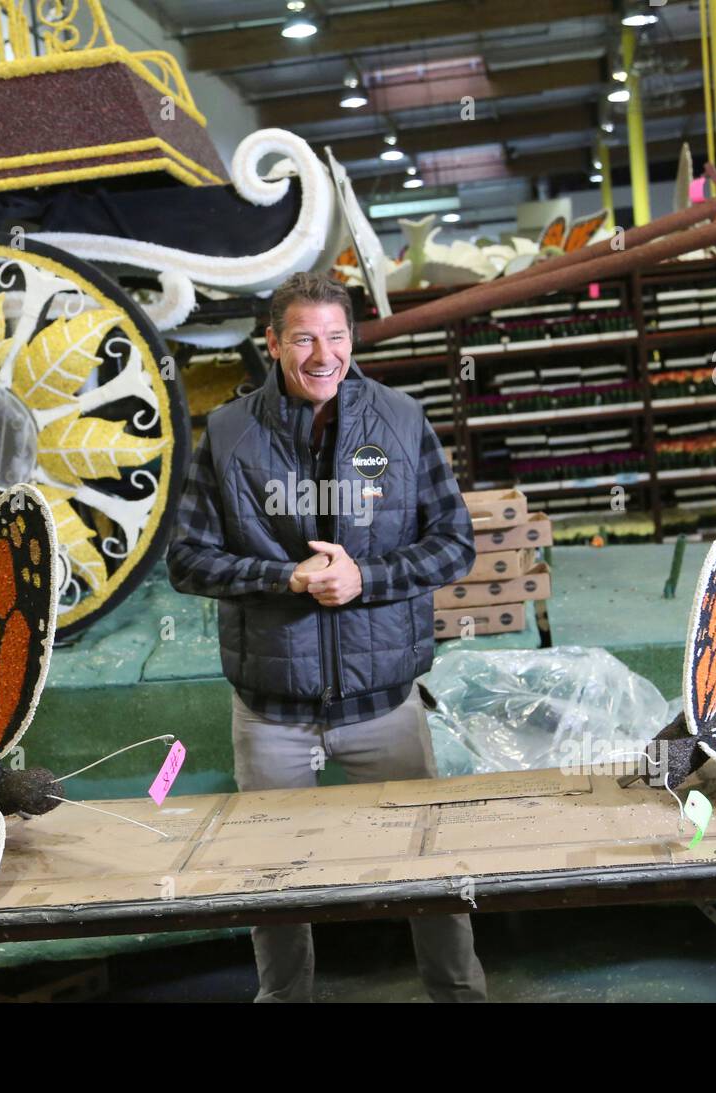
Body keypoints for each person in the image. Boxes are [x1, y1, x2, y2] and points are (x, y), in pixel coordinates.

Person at [166, 270, 486, 1003]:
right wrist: (287, 579)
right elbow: (187, 559)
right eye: (304, 337)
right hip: (273, 709)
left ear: (353, 339)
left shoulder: (403, 421)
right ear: (273, 342)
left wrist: (364, 578)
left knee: (429, 871)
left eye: (337, 336)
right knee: (275, 884)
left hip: (383, 706)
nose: (323, 354)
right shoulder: (228, 432)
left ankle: (459, 996)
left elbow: (455, 544)